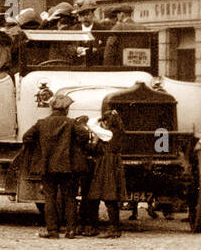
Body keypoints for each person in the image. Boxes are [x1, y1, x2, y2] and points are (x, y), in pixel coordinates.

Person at [22, 93, 91, 238]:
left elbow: (26, 137)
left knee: (50, 199)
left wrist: (40, 150)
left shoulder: (41, 123)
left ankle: (52, 231)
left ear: (52, 108)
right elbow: (84, 136)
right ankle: (71, 230)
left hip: (47, 167)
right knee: (70, 198)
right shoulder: (71, 123)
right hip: (68, 167)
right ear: (65, 109)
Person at [81, 102, 127, 238]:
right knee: (110, 195)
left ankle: (113, 230)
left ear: (108, 122)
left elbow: (91, 124)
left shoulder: (107, 134)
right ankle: (114, 228)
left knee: (108, 195)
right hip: (114, 163)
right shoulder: (117, 132)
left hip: (107, 163)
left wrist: (100, 118)